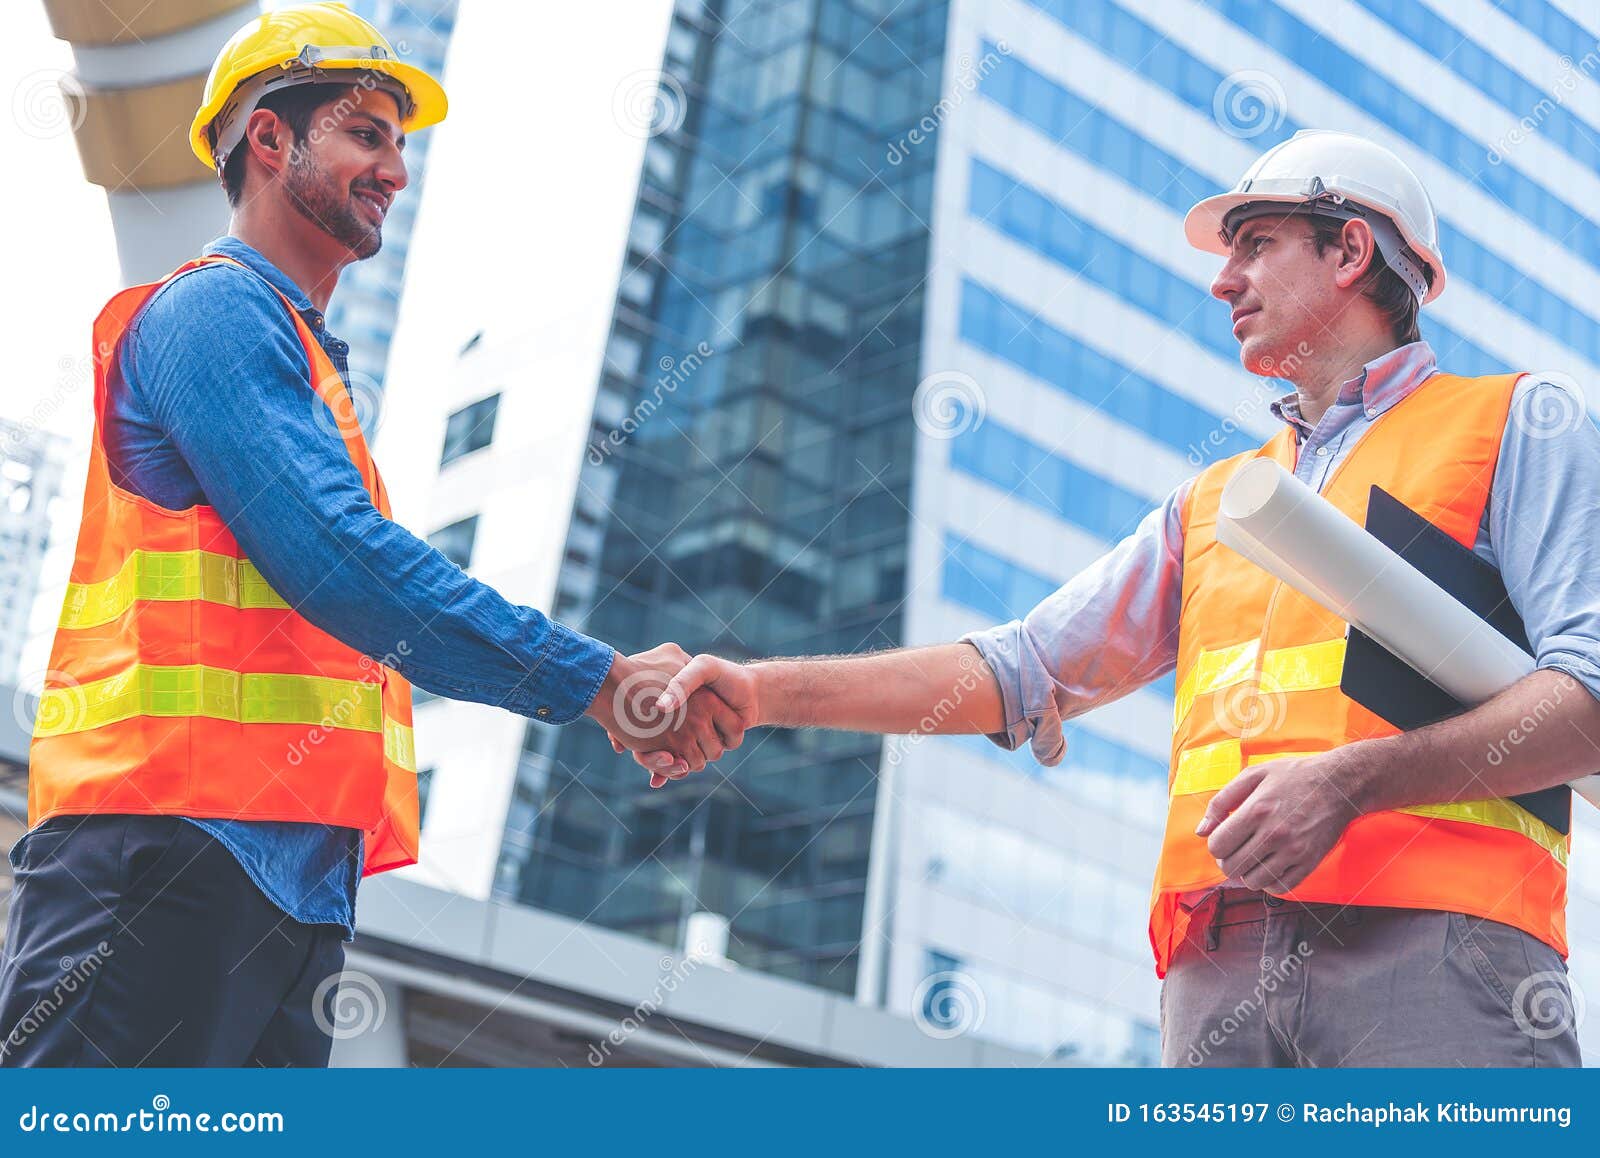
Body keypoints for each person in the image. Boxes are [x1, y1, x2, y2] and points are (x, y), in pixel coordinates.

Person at [631, 131, 1600, 1067]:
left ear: (1350, 250)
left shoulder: (1511, 426)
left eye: (1255, 244)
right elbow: (1018, 671)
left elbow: (1589, 706)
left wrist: (1350, 783)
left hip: (1437, 954)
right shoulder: (1215, 504)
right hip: (1218, 979)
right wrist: (760, 693)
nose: (1223, 281)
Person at [0, 3, 739, 1068]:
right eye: (365, 132)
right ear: (268, 138)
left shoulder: (309, 368)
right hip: (163, 853)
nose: (396, 166)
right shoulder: (212, 316)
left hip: (284, 886)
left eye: (401, 141)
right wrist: (597, 679)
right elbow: (338, 563)